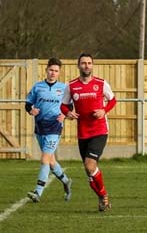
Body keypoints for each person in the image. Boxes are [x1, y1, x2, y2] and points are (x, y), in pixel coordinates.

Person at [61, 53, 116, 212]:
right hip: (82, 132)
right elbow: (64, 106)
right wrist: (68, 113)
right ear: (78, 66)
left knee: (90, 165)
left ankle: (103, 195)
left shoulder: (101, 83)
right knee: (88, 170)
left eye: (89, 63)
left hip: (99, 130)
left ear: (92, 65)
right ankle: (102, 198)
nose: (86, 66)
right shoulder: (71, 86)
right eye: (83, 63)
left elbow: (112, 100)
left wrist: (104, 111)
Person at [25, 58, 72, 202]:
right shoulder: (38, 87)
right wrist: (31, 111)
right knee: (51, 161)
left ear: (59, 73)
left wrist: (64, 115)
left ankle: (38, 192)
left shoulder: (64, 88)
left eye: (56, 71)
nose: (53, 73)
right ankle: (66, 181)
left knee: (44, 159)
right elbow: (28, 104)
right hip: (40, 127)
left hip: (55, 127)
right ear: (46, 70)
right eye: (51, 70)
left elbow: (69, 106)